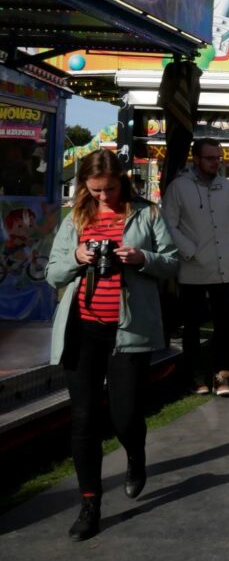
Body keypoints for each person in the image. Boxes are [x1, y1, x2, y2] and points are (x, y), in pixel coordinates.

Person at [45, 150, 179, 540]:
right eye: (95, 189)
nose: (103, 196)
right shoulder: (76, 218)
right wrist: (76, 256)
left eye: (109, 188)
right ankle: (90, 504)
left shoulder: (147, 214)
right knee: (84, 419)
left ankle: (135, 456)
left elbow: (172, 263)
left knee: (125, 415)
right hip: (82, 331)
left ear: (123, 181)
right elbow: (53, 273)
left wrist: (141, 257)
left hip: (128, 332)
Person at [163, 138, 229, 397]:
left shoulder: (225, 185)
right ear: (196, 159)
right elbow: (169, 223)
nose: (216, 162)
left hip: (222, 266)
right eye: (210, 158)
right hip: (193, 268)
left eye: (218, 157)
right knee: (192, 325)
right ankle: (195, 375)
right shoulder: (179, 187)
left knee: (223, 324)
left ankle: (221, 376)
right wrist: (189, 250)